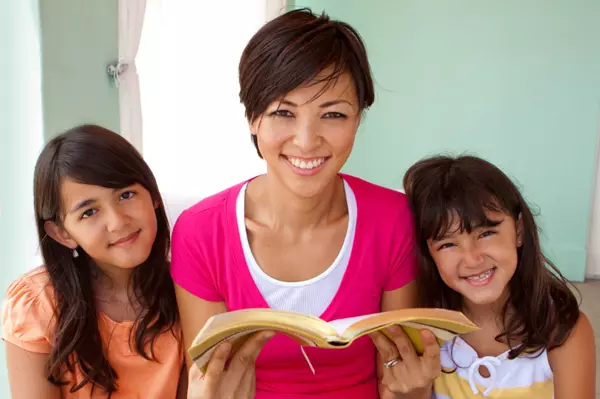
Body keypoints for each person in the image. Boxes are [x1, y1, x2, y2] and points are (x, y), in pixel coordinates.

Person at [172, 8, 440, 399]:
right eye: (283, 112)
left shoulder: (393, 218)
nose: (306, 140)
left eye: (333, 114)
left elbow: (399, 382)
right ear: (252, 117)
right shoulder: (201, 233)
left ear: (358, 119)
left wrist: (413, 390)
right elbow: (209, 381)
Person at [1, 125, 185, 398]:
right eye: (89, 212)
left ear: (153, 196)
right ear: (62, 233)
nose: (117, 221)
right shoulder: (37, 305)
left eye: (126, 195)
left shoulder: (189, 290)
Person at [403, 155, 596, 398]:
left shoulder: (564, 332)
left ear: (518, 231)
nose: (472, 259)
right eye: (448, 244)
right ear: (428, 253)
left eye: (486, 234)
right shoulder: (422, 329)